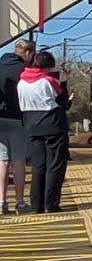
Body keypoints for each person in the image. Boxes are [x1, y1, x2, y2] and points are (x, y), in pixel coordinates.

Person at [17, 50, 71, 214]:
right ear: (47, 66)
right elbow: (62, 102)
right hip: (52, 123)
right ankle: (51, 204)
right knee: (54, 164)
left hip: (31, 124)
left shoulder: (21, 82)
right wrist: (65, 89)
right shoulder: (48, 80)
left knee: (38, 166)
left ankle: (36, 205)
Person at [0, 39, 33, 214]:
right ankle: (20, 202)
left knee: (3, 160)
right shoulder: (23, 70)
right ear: (27, 53)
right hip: (16, 118)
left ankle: (1, 201)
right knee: (19, 159)